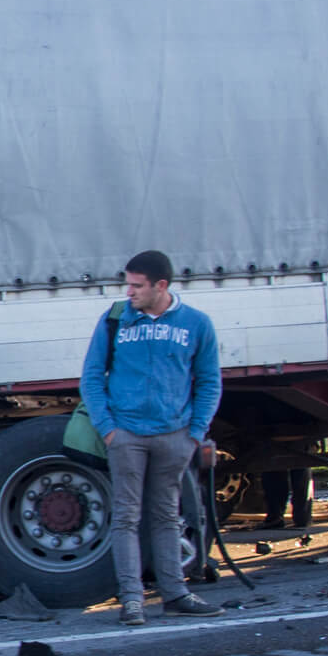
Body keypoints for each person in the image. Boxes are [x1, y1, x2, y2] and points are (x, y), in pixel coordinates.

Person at [79, 250, 224, 625]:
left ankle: (175, 594)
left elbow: (209, 381)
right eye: (128, 284)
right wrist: (108, 430)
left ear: (161, 285)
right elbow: (92, 377)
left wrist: (194, 434)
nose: (129, 292)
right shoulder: (115, 320)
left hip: (174, 436)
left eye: (136, 285)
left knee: (166, 516)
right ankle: (131, 601)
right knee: (126, 517)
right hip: (126, 434)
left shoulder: (196, 324)